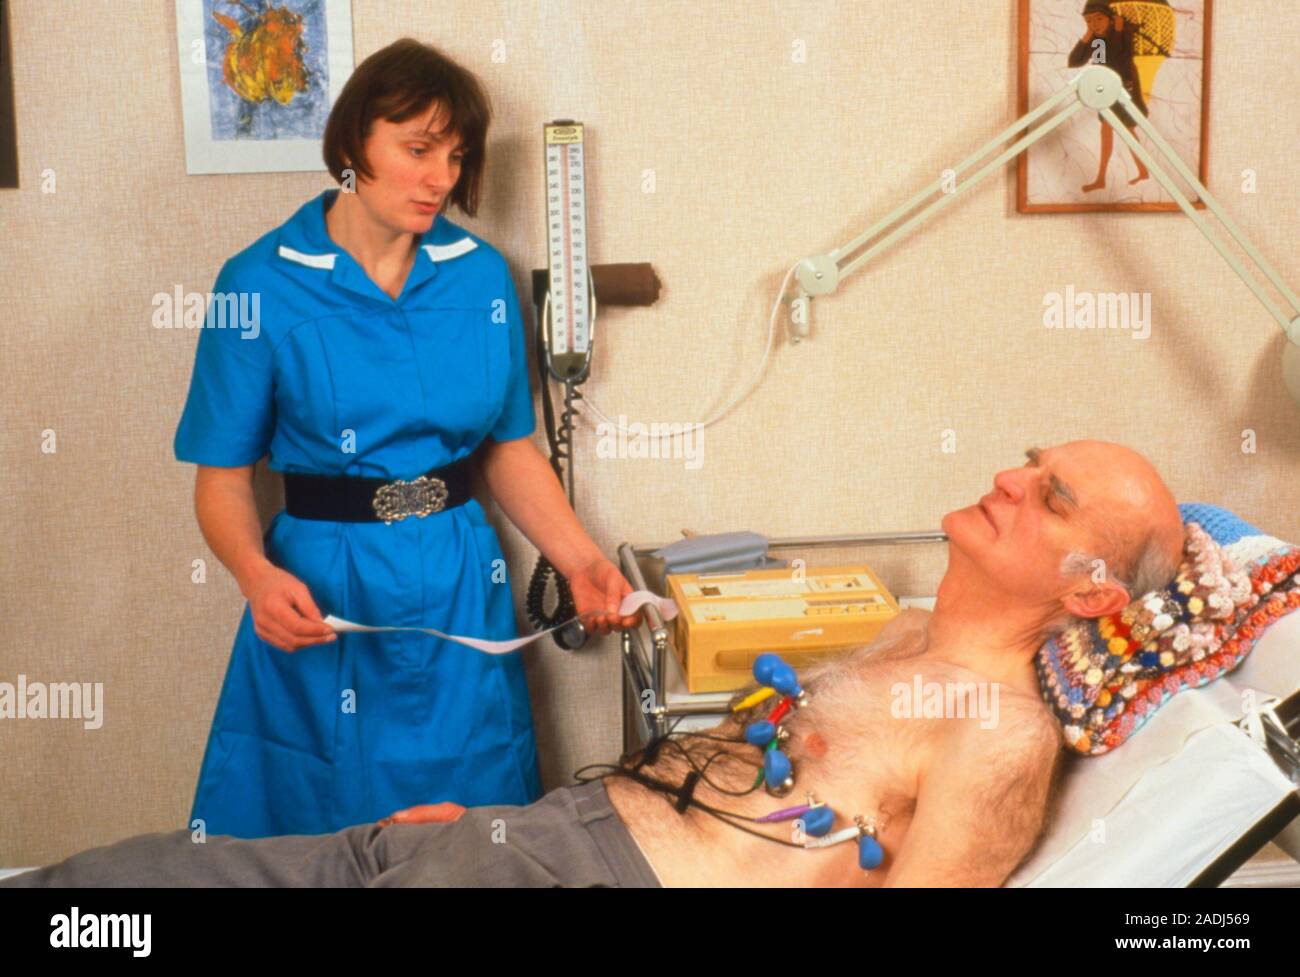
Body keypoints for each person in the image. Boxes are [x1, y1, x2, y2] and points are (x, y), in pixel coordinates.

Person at [6, 441, 1186, 886]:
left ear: (1088, 588)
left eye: (1051, 493)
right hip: (530, 836)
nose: (1010, 477)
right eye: (1032, 459)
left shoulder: (1002, 734)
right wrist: (486, 828)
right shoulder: (898, 634)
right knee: (110, 887)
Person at [171, 38, 640, 839]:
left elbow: (506, 449)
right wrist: (255, 576)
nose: (442, 178)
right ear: (354, 144)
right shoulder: (255, 283)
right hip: (322, 585)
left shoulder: (479, 276)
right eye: (417, 149)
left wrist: (583, 562)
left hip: (461, 570)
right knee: (318, 821)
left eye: (455, 156)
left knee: (471, 820)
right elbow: (222, 477)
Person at [1068, 0, 1152, 192]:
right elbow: (1075, 61)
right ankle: (1108, 177)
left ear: (1111, 19)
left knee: (1127, 131)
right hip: (1107, 93)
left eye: (1098, 18)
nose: (1094, 23)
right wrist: (1087, 36)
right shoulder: (1098, 41)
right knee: (1113, 131)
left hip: (1125, 93)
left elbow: (1121, 57)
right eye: (1088, 20)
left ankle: (1117, 175)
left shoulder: (1123, 34)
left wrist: (1119, 31)